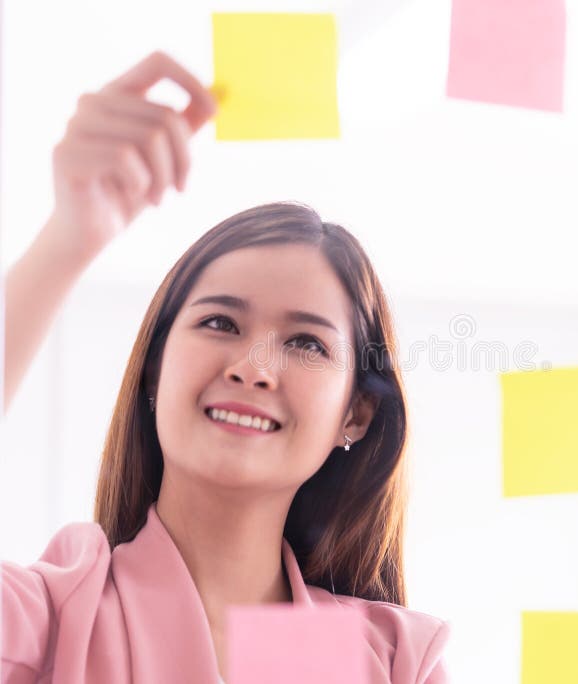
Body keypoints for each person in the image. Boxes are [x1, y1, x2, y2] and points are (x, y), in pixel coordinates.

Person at [1, 51, 450, 683]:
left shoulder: (397, 661)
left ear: (356, 413)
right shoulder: (42, 622)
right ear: (156, 370)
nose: (252, 368)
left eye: (306, 343)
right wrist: (66, 242)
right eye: (219, 323)